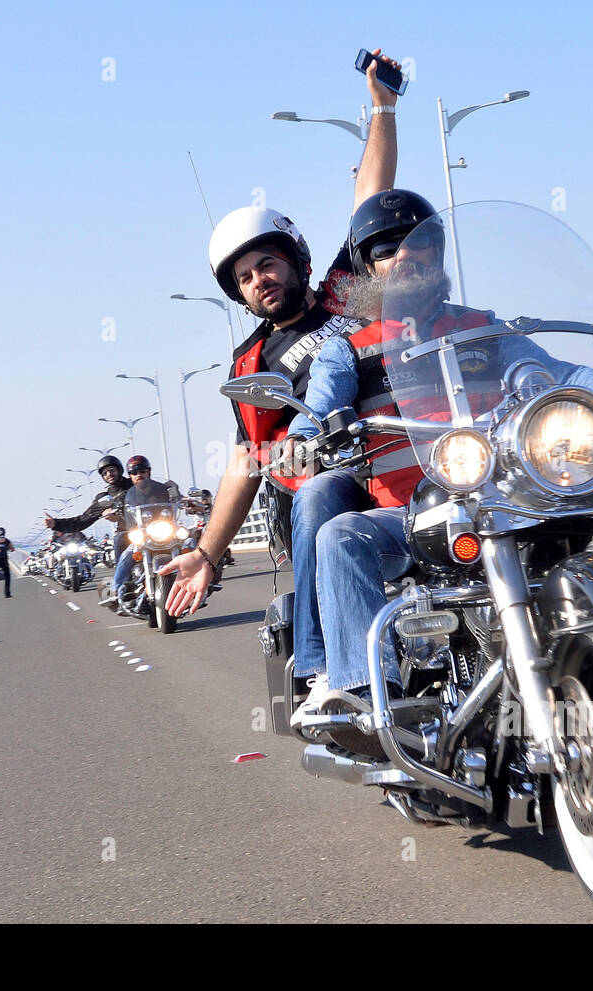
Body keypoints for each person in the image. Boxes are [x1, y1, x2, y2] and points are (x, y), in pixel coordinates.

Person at [286, 190, 593, 755]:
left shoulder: (484, 328)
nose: (406, 256)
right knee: (340, 534)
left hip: (509, 501)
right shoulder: (346, 352)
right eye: (387, 248)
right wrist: (305, 441)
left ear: (439, 255)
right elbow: (312, 416)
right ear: (367, 266)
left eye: (421, 244)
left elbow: (565, 371)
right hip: (411, 515)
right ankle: (366, 698)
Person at [160, 48, 406, 618]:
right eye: (244, 279)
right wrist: (205, 553)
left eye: (266, 264)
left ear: (296, 260)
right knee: (320, 493)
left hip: (412, 447)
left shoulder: (348, 290)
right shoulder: (253, 363)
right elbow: (248, 457)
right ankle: (326, 670)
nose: (258, 281)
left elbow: (371, 196)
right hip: (339, 481)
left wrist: (384, 111)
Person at [111, 455, 183, 611]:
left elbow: (178, 499)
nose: (139, 475)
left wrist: (186, 501)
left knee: (189, 544)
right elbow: (117, 507)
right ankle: (115, 591)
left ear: (148, 472)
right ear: (130, 475)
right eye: (134, 472)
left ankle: (203, 578)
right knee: (126, 555)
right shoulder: (126, 495)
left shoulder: (164, 489)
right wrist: (112, 510)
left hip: (165, 532)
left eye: (142, 471)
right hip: (143, 536)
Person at [45, 455, 135, 558]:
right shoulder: (105, 498)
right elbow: (83, 520)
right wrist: (55, 523)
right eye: (104, 473)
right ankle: (121, 575)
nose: (109, 474)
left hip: (150, 526)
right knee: (121, 545)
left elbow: (154, 492)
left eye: (111, 470)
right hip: (127, 531)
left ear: (119, 469)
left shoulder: (135, 484)